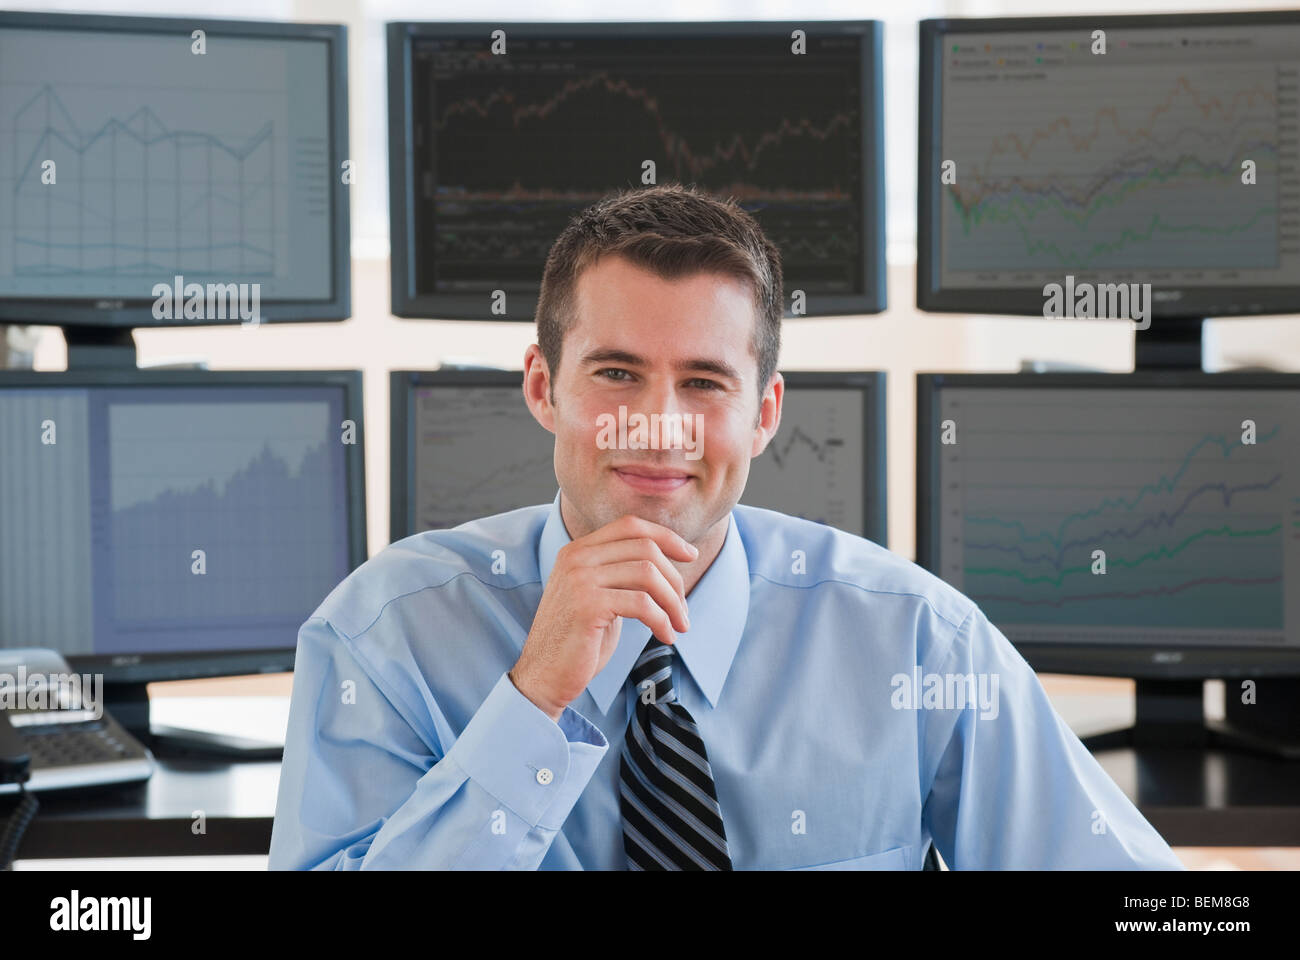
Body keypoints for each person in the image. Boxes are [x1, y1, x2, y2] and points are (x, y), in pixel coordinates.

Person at [268, 183, 1184, 870]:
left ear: (765, 412)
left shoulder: (916, 642)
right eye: (617, 374)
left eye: (704, 383)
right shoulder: (381, 637)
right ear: (544, 387)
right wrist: (530, 703)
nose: (660, 425)